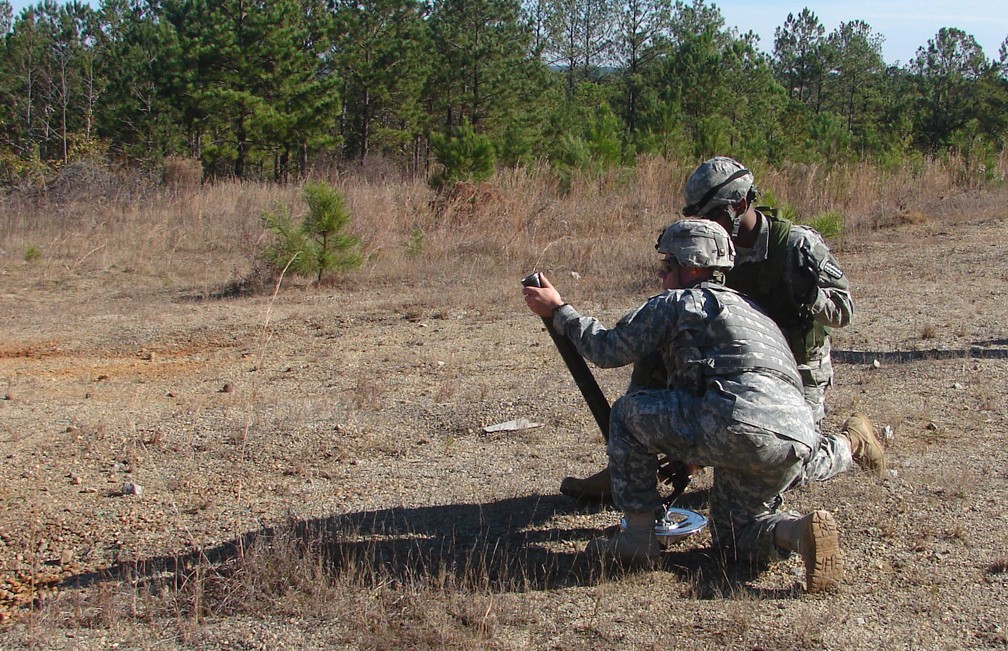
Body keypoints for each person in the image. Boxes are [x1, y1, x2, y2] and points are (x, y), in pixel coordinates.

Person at [523, 219, 843, 591]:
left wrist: (559, 309)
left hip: (731, 421)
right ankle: (797, 533)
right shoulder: (756, 314)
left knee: (628, 414)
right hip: (794, 438)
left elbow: (606, 349)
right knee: (737, 535)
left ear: (690, 267)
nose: (661, 277)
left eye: (666, 266)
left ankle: (638, 539)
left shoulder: (681, 301)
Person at [560, 156, 885, 501]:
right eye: (697, 218)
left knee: (787, 457)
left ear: (740, 204)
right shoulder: (708, 247)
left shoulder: (795, 245)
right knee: (654, 349)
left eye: (712, 215)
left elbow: (843, 311)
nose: (703, 225)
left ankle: (851, 442)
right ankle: (630, 465)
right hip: (728, 366)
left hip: (796, 368)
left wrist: (810, 295)